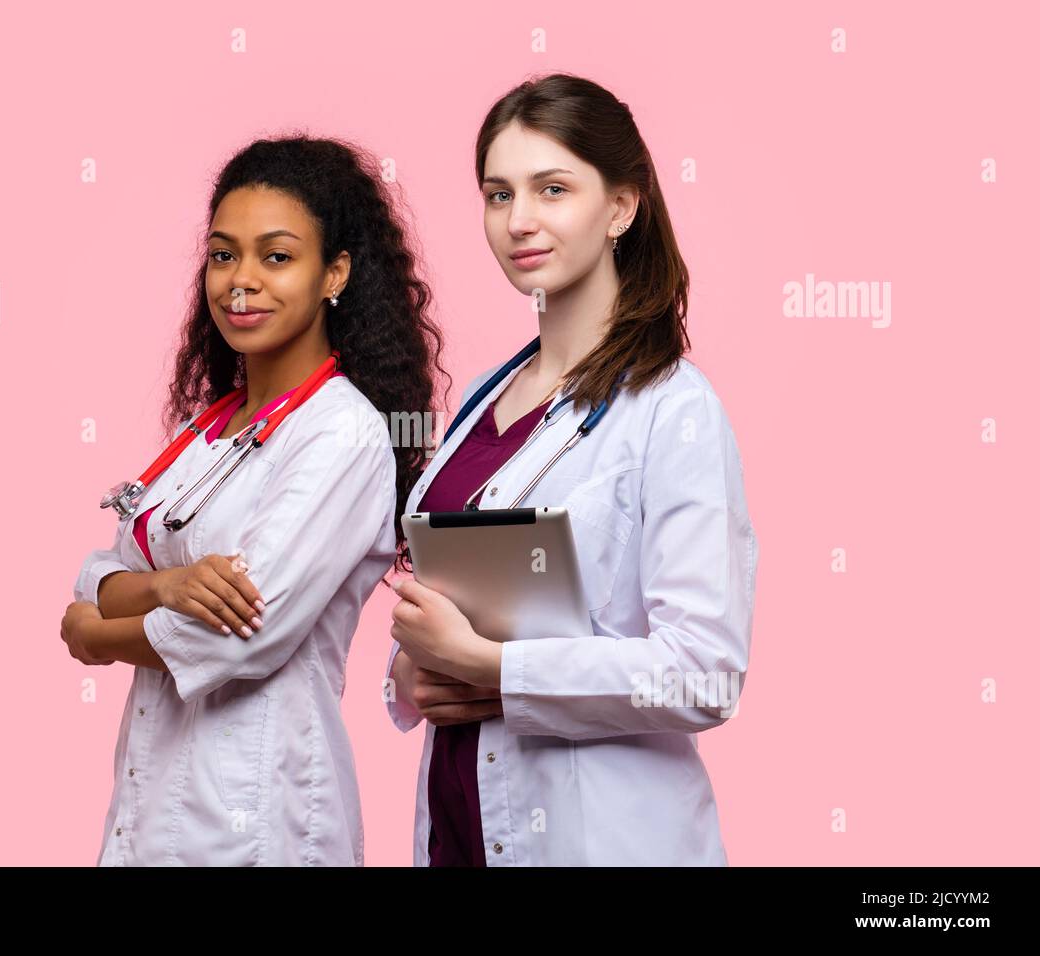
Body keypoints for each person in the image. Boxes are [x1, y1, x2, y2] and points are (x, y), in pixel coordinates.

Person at [385, 73, 759, 866]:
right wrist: (411, 677)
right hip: (461, 826)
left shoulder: (672, 410)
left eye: (552, 189)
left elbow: (704, 673)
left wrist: (497, 668)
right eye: (497, 194)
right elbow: (456, 612)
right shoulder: (482, 403)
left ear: (621, 207)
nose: (519, 221)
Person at [61, 135, 446, 865]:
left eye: (277, 256)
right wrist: (164, 586)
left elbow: (236, 634)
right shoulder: (208, 430)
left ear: (335, 272)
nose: (241, 281)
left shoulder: (344, 435)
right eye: (223, 254)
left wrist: (92, 633)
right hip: (150, 809)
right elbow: (100, 569)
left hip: (259, 817)